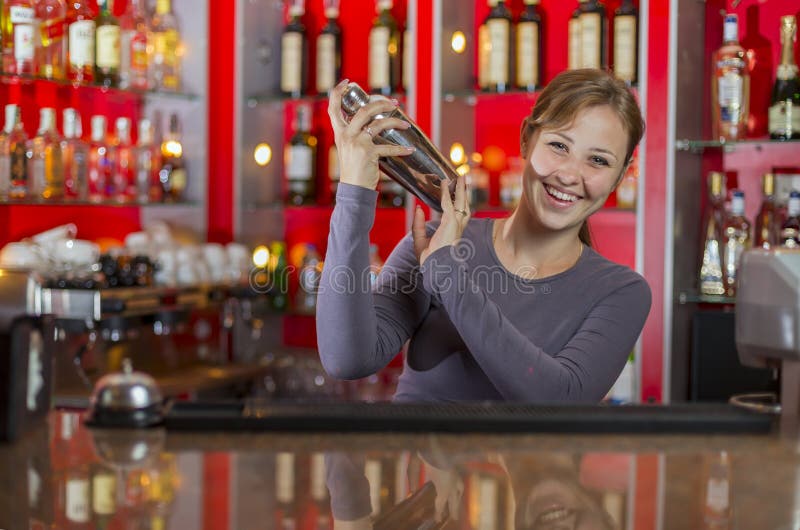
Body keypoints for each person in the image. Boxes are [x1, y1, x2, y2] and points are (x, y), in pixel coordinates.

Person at [316, 69, 651, 403]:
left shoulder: (621, 291)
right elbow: (346, 359)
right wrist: (354, 196)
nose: (570, 175)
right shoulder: (434, 242)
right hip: (415, 441)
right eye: (559, 145)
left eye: (598, 160)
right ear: (526, 139)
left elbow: (559, 400)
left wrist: (448, 274)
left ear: (620, 175)